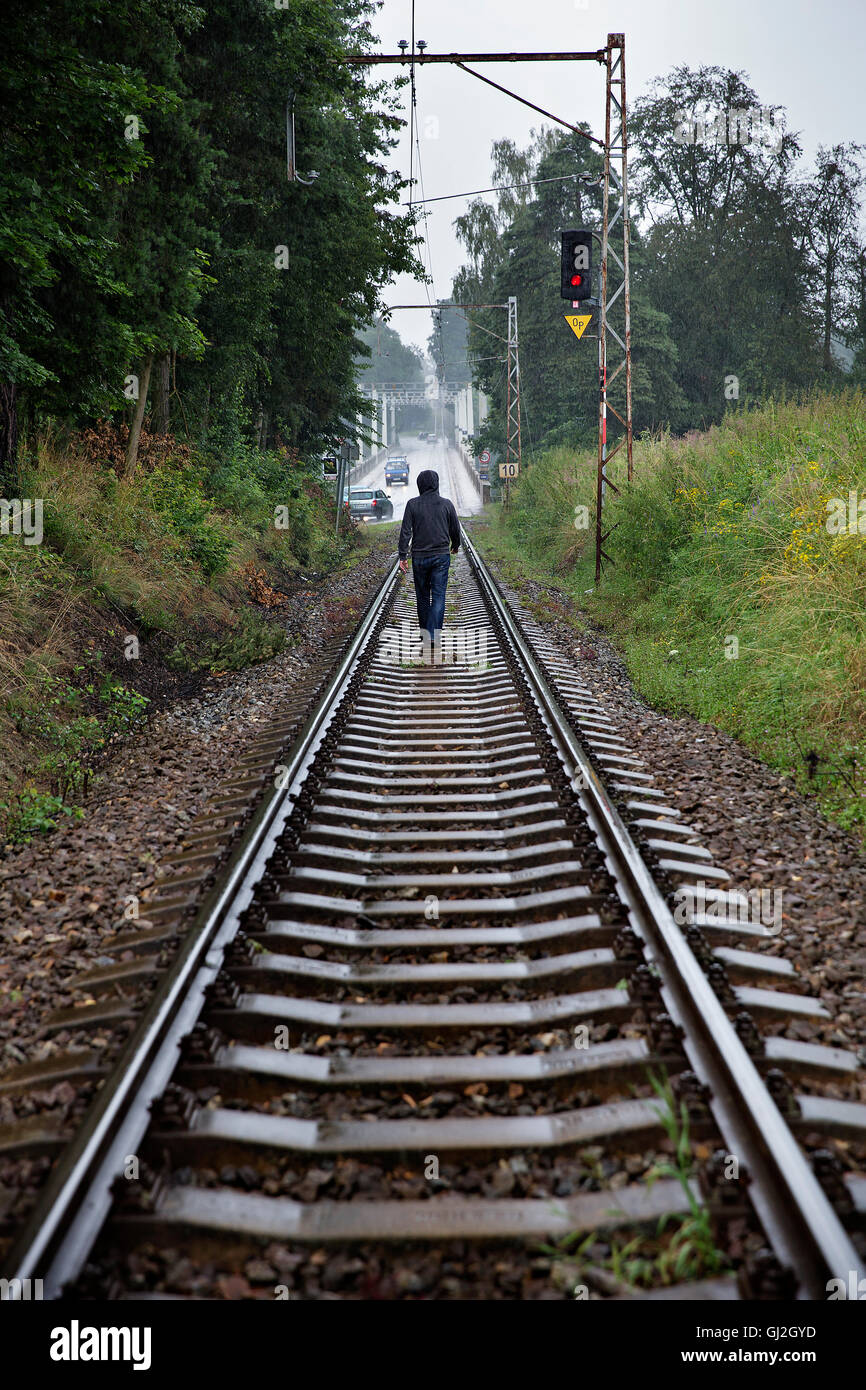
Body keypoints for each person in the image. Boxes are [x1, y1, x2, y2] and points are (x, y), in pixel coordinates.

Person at [397, 469, 461, 645]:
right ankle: (432, 635)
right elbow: (455, 528)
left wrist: (403, 555)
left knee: (423, 596)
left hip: (419, 557)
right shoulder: (446, 504)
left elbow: (405, 532)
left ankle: (427, 633)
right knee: (439, 596)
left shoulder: (412, 504)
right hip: (441, 555)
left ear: (420, 485)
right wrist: (455, 545)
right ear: (436, 484)